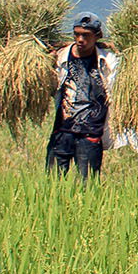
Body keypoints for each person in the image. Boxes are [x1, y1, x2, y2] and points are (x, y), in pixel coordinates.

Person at [46, 11, 117, 180]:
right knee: (51, 185)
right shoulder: (60, 57)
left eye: (86, 35)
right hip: (62, 133)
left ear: (97, 36)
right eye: (77, 34)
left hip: (91, 135)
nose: (80, 40)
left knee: (88, 187)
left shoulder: (108, 61)